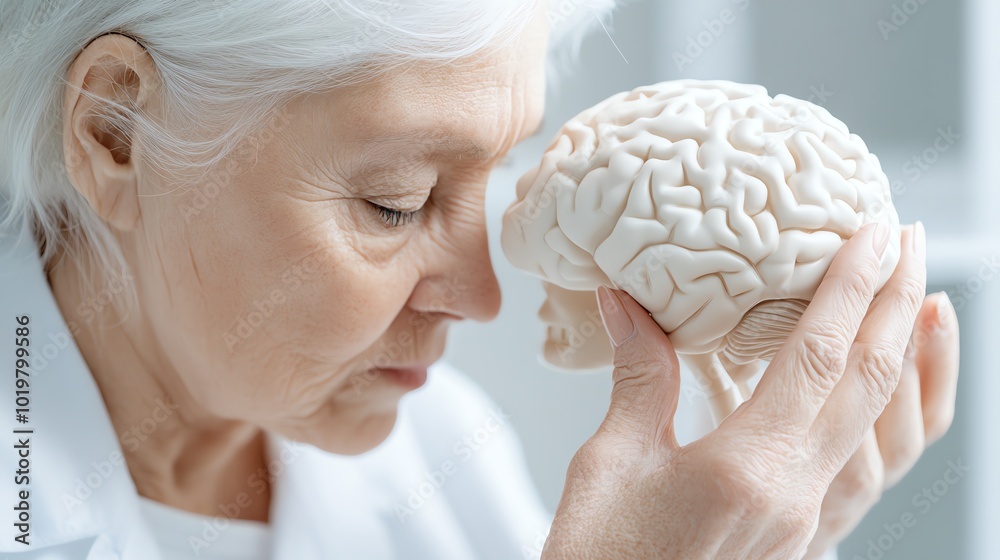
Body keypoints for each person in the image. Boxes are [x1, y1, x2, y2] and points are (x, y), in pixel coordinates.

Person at [0, 1, 960, 558]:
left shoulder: (446, 454)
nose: (483, 295)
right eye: (397, 201)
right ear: (115, 135)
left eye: (495, 172)